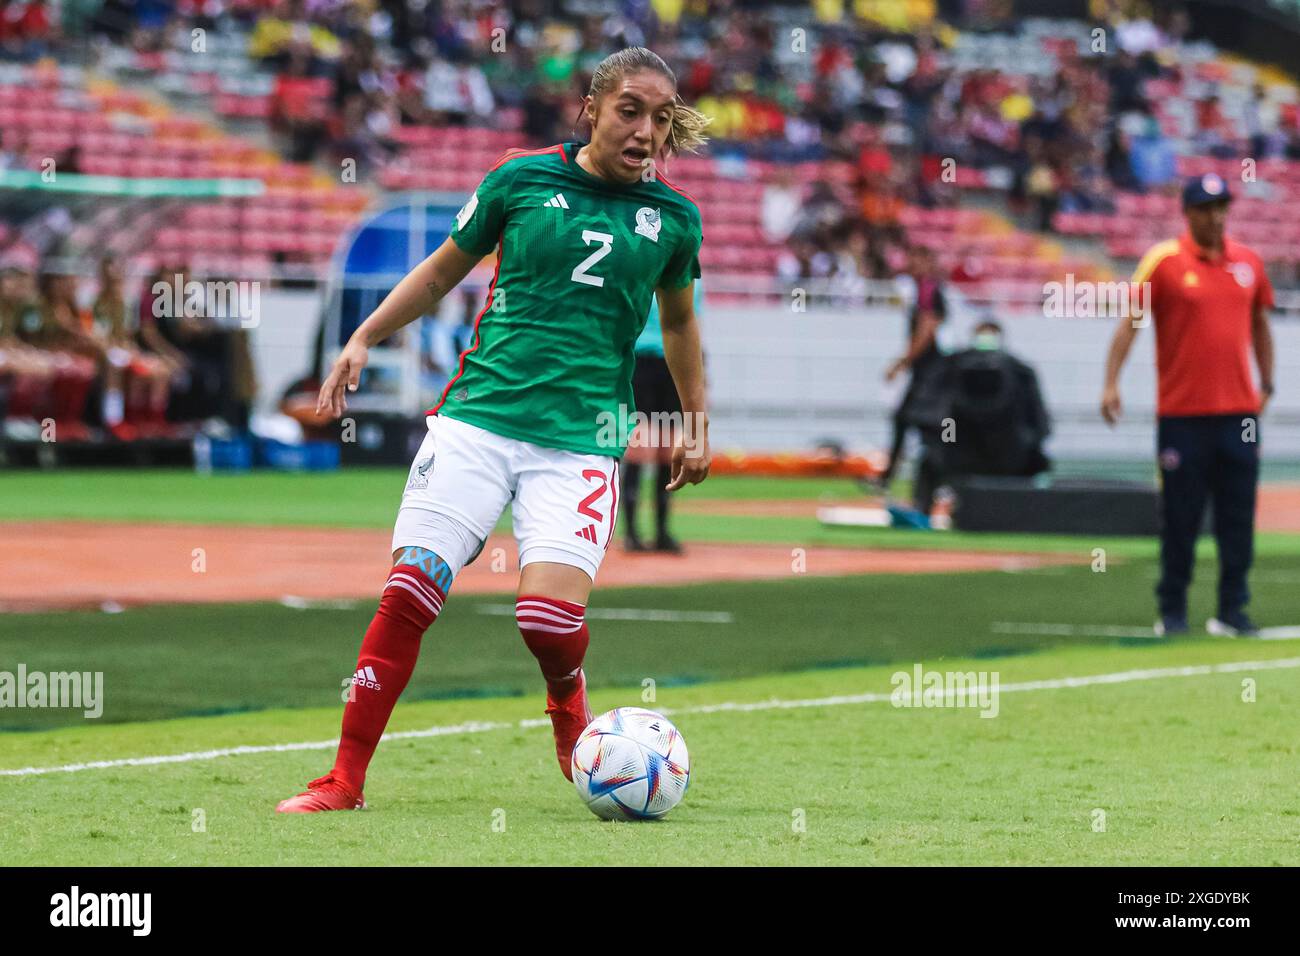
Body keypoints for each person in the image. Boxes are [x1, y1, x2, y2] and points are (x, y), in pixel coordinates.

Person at [277, 47, 712, 813]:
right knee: (410, 589)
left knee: (546, 620)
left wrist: (694, 420)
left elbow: (679, 326)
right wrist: (365, 336)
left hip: (581, 439)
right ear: (592, 109)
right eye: (630, 111)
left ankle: (566, 698)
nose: (646, 131)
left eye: (661, 117)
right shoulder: (519, 179)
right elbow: (444, 269)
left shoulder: (674, 219)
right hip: (478, 420)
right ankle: (342, 778)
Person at [1101, 173, 1275, 637]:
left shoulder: (1249, 264)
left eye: (1221, 208)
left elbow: (1260, 325)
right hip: (1182, 415)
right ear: (1189, 213)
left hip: (1240, 415)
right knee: (1181, 516)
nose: (1216, 217)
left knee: (1239, 515)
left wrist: (1268, 382)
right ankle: (1172, 610)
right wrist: (1111, 382)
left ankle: (1232, 609)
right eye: (1206, 208)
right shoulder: (1163, 263)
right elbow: (1131, 323)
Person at [621, 278, 705, 553]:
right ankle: (632, 532)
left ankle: (660, 532)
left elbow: (691, 325)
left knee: (666, 450)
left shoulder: (692, 279)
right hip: (642, 359)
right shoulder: (653, 265)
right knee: (640, 447)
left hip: (670, 364)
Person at [878, 245, 948, 494]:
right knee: (909, 421)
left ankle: (939, 479)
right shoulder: (921, 290)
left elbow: (926, 331)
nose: (911, 263)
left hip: (933, 372)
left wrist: (900, 363)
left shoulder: (929, 289)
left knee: (933, 426)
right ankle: (889, 479)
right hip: (927, 371)